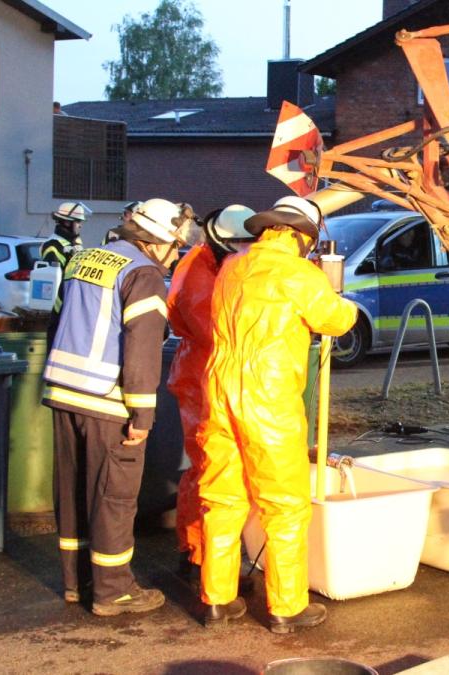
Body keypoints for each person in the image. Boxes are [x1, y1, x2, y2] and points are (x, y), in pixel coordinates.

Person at [199, 196, 357, 632]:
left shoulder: (233, 265)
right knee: (285, 505)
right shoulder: (298, 273)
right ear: (304, 236)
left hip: (218, 389)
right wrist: (341, 297)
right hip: (267, 396)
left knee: (222, 497)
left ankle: (218, 599)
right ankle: (287, 607)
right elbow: (335, 319)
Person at [42, 197, 189, 617]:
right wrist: (143, 415)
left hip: (64, 391)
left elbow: (57, 321)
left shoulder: (83, 259)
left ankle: (76, 584)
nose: (175, 253)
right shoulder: (143, 275)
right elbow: (142, 351)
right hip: (107, 400)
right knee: (114, 497)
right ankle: (113, 591)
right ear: (155, 239)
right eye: (173, 244)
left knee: (73, 493)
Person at [166, 203, 255, 589]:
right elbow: (215, 329)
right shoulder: (199, 272)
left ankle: (195, 549)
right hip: (202, 376)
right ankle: (203, 555)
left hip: (205, 373)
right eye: (237, 245)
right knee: (212, 470)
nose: (242, 252)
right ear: (221, 241)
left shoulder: (207, 263)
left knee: (204, 468)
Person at [41, 202, 89, 269]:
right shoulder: (52, 246)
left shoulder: (74, 242)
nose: (80, 226)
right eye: (78, 221)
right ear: (67, 222)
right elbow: (56, 275)